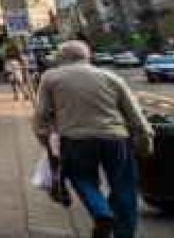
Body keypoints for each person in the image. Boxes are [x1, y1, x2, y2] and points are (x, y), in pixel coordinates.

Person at [35, 41, 153, 238]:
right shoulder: (110, 77)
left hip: (75, 140)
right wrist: (145, 140)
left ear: (61, 58)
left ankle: (101, 212)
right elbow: (134, 114)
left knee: (83, 178)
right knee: (124, 186)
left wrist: (45, 142)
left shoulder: (50, 78)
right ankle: (124, 233)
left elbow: (41, 116)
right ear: (87, 57)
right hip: (116, 138)